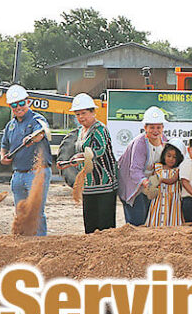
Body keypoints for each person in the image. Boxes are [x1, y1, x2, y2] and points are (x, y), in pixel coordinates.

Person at [0, 84, 51, 236]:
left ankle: (40, 245)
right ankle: (23, 244)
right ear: (10, 106)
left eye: (21, 103)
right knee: (20, 212)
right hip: (18, 174)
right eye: (14, 105)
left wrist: (33, 137)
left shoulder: (37, 119)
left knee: (36, 213)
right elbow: (4, 145)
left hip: (36, 173)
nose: (18, 107)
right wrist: (3, 156)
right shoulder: (10, 125)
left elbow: (42, 132)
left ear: (28, 102)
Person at [68, 93, 118, 233]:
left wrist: (81, 156)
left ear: (93, 112)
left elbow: (99, 150)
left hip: (104, 183)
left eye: (84, 113)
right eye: (78, 114)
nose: (81, 117)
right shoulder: (80, 132)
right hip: (89, 184)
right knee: (90, 223)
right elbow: (82, 154)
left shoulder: (100, 129)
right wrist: (71, 161)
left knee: (105, 224)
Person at [117, 106, 168, 225]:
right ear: (145, 128)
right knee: (137, 220)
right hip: (132, 183)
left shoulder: (164, 141)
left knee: (149, 218)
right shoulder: (140, 143)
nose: (155, 131)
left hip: (148, 184)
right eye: (152, 127)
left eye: (158, 127)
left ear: (163, 128)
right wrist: (147, 183)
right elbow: (134, 170)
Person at [145, 141, 184, 227]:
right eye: (169, 156)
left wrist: (161, 180)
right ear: (164, 155)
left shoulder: (177, 170)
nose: (171, 159)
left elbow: (173, 180)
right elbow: (152, 178)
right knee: (157, 212)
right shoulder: (157, 167)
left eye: (174, 157)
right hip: (159, 197)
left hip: (172, 198)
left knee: (171, 215)